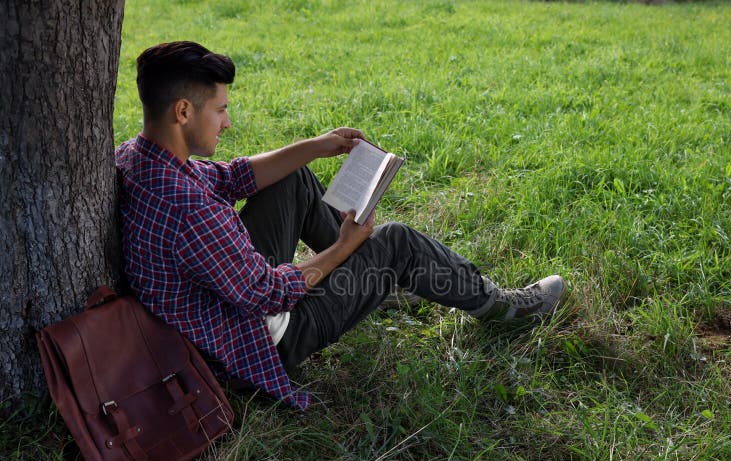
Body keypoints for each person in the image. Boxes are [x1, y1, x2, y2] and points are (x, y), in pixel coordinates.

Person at [115, 41, 566, 410]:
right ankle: (507, 308)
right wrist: (343, 248)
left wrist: (317, 146)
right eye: (220, 109)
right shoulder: (189, 207)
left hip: (219, 307)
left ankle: (371, 280)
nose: (228, 121)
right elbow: (269, 293)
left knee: (290, 178)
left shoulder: (138, 158)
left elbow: (234, 176)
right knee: (399, 242)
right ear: (182, 112)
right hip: (260, 337)